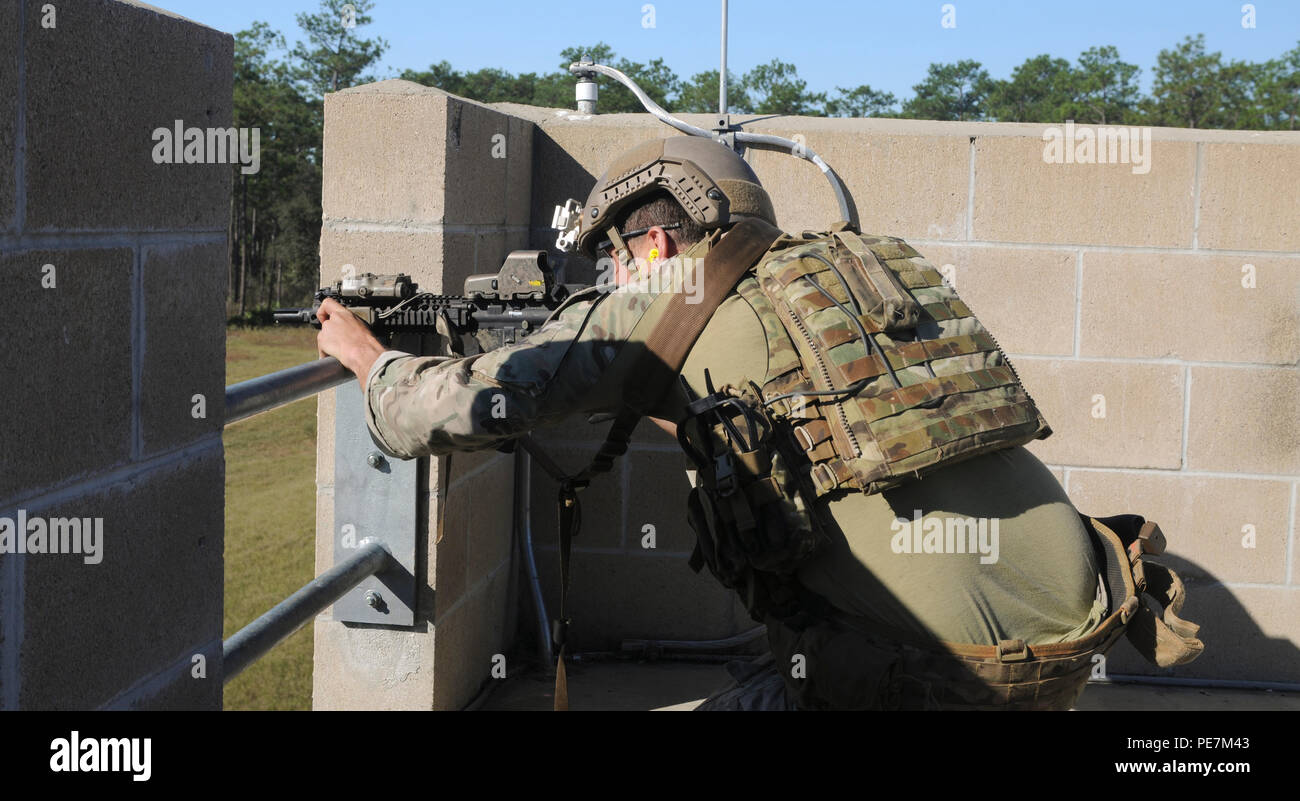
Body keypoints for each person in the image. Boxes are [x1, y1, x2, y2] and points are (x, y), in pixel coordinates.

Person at [316, 134, 1201, 710]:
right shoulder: (853, 269)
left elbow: (459, 403)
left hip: (952, 678)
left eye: (616, 260)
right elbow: (827, 432)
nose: (615, 281)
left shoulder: (668, 295)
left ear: (655, 248)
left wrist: (367, 357)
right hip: (1078, 631)